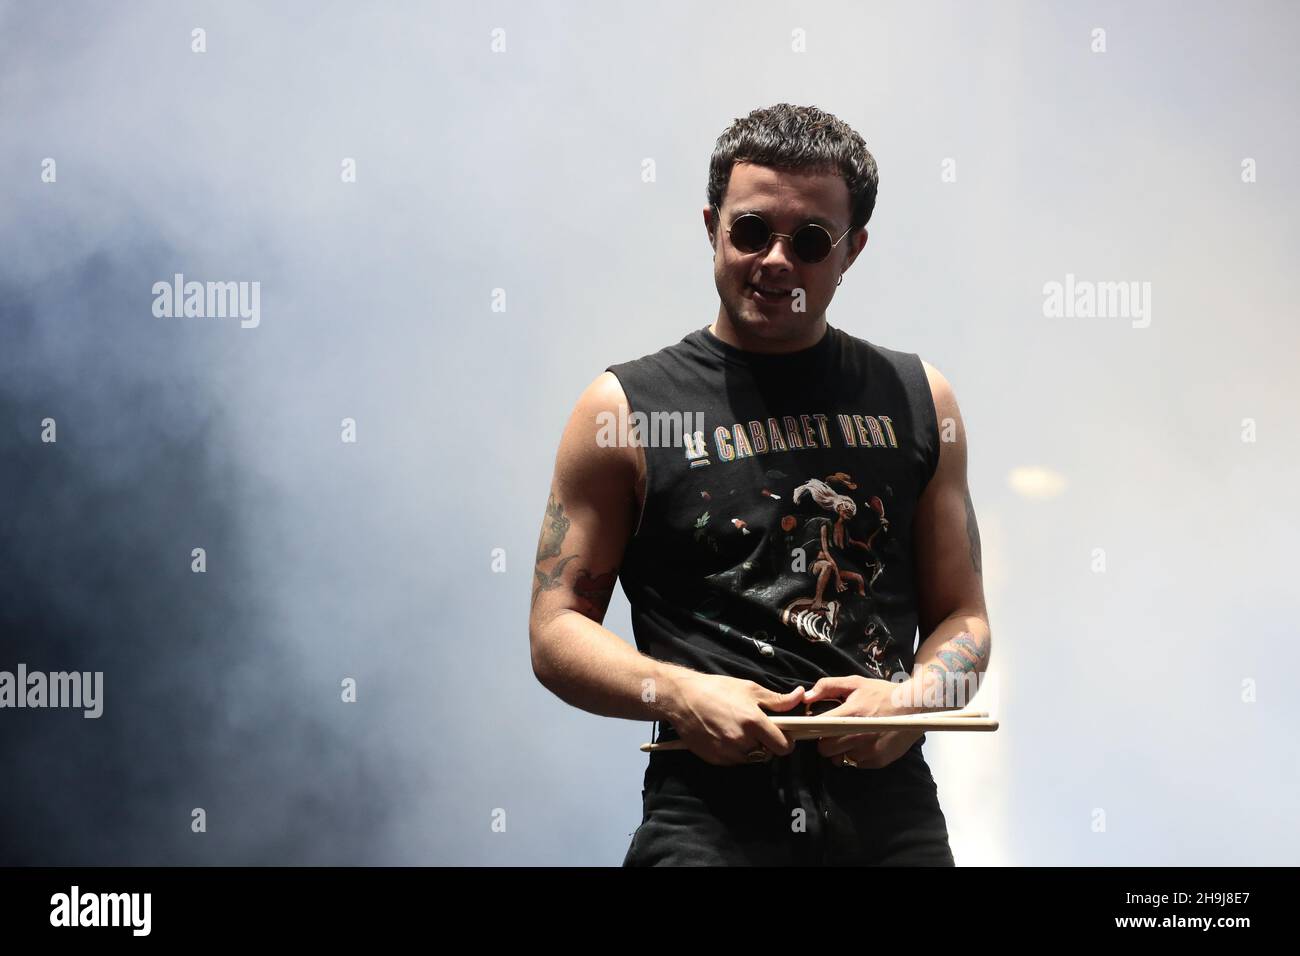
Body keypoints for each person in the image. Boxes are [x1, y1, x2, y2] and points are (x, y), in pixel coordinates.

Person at [528, 103, 992, 866]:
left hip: (891, 816)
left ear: (853, 250)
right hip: (707, 818)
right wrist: (678, 693)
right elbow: (555, 631)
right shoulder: (623, 408)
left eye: (809, 241)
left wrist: (911, 701)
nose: (777, 260)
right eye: (751, 231)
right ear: (712, 226)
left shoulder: (920, 398)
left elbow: (965, 619)